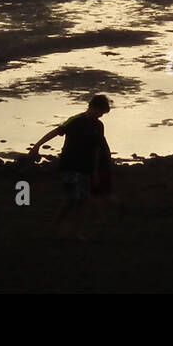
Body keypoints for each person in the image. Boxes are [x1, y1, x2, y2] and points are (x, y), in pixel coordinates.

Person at [29, 95, 112, 238]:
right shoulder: (75, 120)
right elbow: (56, 131)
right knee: (74, 199)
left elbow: (98, 148)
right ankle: (65, 228)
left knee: (79, 199)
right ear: (93, 107)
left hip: (86, 167)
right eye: (100, 112)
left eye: (102, 113)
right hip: (70, 164)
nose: (100, 115)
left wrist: (96, 171)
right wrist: (37, 145)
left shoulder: (99, 125)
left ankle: (69, 229)